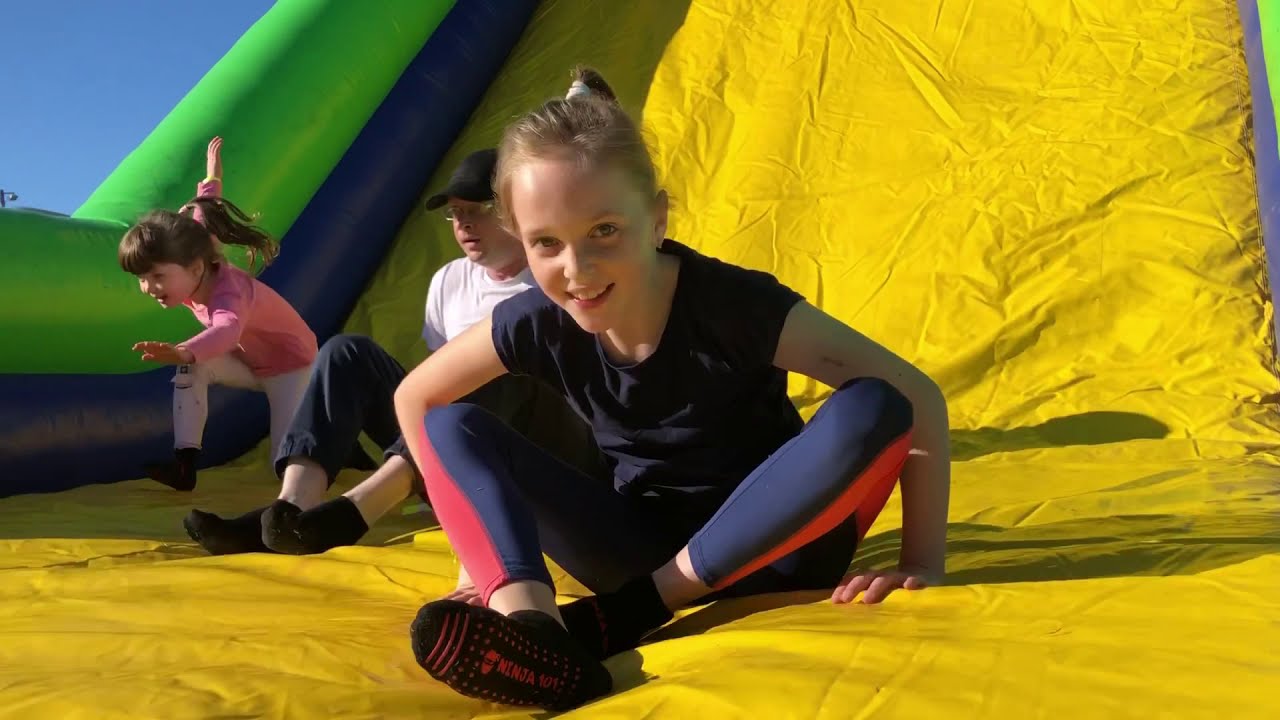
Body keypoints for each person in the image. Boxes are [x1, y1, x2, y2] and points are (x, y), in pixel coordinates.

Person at [391, 68, 953, 711]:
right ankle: (536, 630)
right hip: (638, 547)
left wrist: (923, 558)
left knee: (875, 404)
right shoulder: (538, 322)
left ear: (656, 219)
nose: (578, 270)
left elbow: (915, 394)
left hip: (784, 548)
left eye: (605, 230)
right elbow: (418, 399)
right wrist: (480, 570)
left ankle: (617, 619)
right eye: (548, 243)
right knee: (450, 426)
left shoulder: (731, 306)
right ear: (521, 243)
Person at [181, 148, 600, 557]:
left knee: (496, 360)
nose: (463, 224)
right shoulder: (449, 280)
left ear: (516, 210)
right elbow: (434, 380)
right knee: (348, 352)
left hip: (544, 453)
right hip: (456, 448)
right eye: (455, 212)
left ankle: (365, 506)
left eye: (477, 208)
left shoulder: (553, 278)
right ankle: (292, 511)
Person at [120, 136, 318, 492]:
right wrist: (212, 174)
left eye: (157, 276)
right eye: (142, 279)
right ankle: (185, 465)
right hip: (250, 362)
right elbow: (205, 209)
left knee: (283, 462)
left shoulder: (229, 292)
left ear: (196, 268)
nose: (149, 287)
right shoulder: (193, 248)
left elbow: (226, 330)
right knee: (191, 366)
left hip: (292, 368)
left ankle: (333, 454)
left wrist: (185, 349)